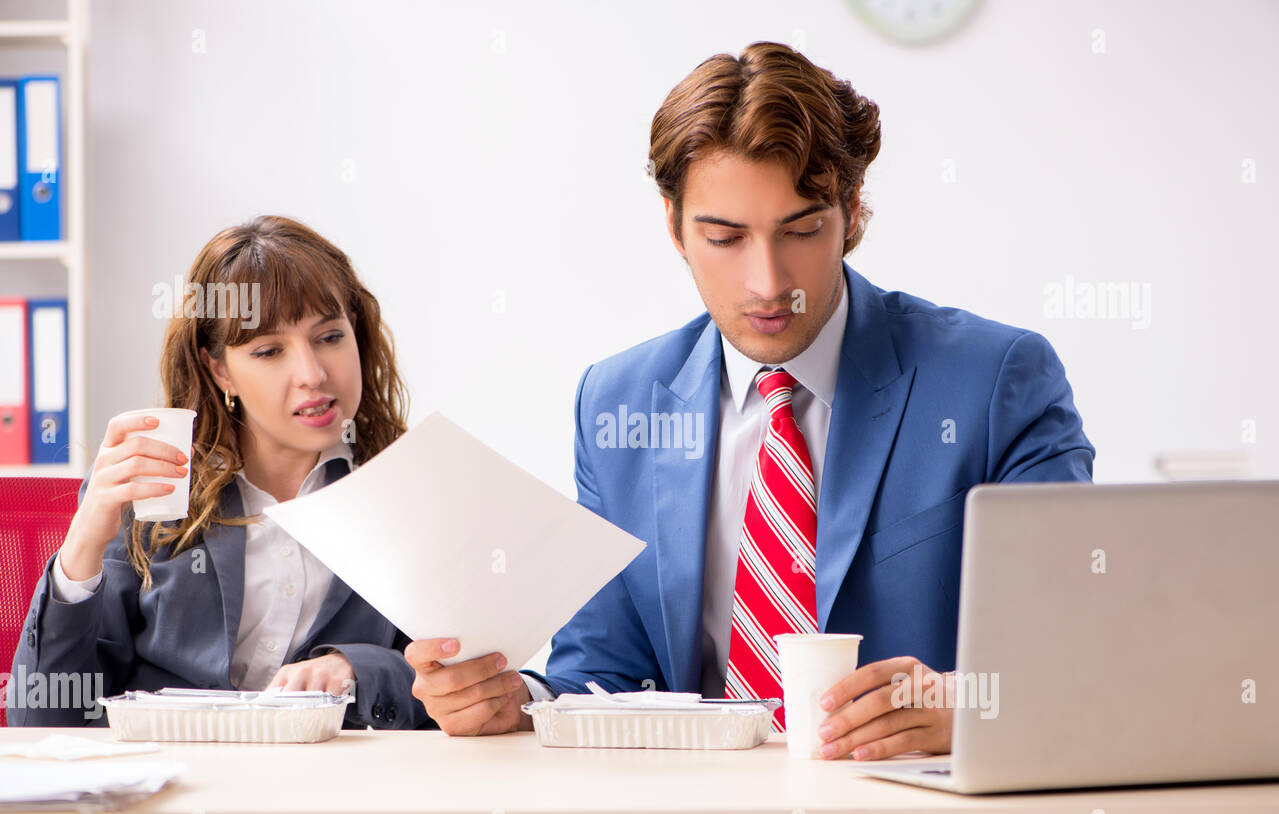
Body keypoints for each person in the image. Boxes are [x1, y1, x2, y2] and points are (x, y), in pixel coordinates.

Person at [406, 42, 1094, 756]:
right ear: (674, 225)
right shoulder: (619, 403)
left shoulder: (995, 381)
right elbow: (604, 676)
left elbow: (1079, 650)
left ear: (853, 213)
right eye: (725, 237)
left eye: (801, 230)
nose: (767, 282)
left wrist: (972, 704)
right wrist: (518, 701)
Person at [8, 215, 433, 729]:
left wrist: (358, 671)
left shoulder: (411, 493)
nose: (313, 375)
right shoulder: (155, 490)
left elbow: (457, 696)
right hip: (170, 789)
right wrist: (81, 551)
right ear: (220, 370)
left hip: (333, 794)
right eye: (270, 351)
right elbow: (41, 723)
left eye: (329, 336)